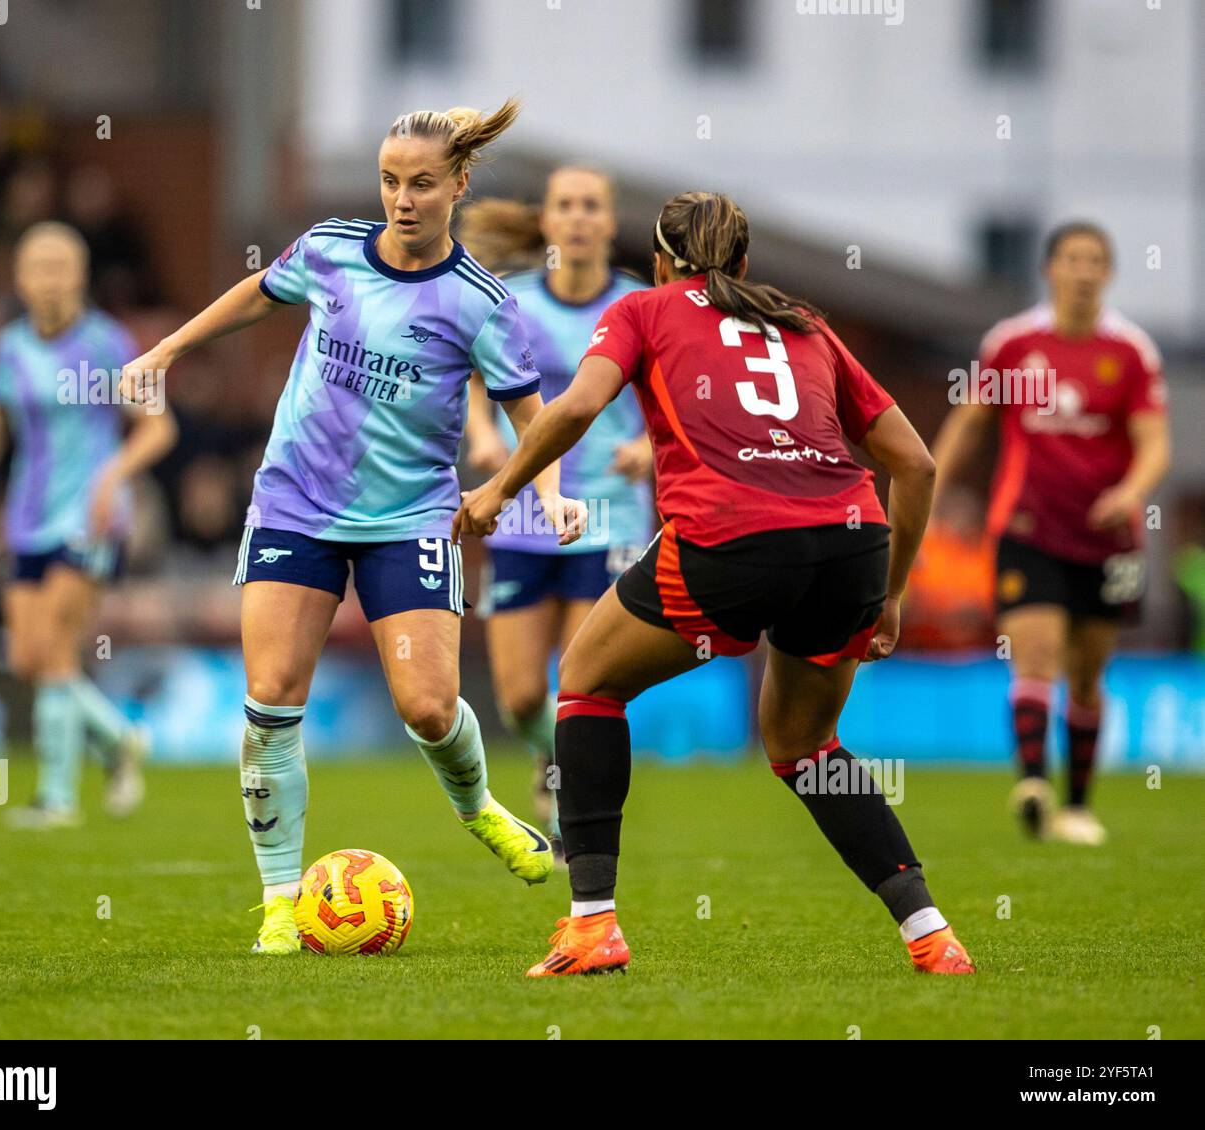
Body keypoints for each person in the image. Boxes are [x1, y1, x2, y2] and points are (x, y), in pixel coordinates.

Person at [455, 191, 974, 977]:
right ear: (741, 261)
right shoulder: (805, 320)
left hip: (733, 537)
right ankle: (932, 936)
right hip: (852, 542)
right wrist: (891, 593)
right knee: (807, 748)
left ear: (661, 261)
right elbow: (917, 464)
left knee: (589, 682)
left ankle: (592, 925)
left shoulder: (644, 308)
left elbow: (577, 407)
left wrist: (498, 490)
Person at [120, 100, 586, 955]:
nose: (402, 199)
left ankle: (477, 807)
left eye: (420, 184)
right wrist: (165, 351)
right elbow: (256, 295)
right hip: (295, 503)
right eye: (389, 181)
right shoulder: (332, 249)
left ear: (458, 186)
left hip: (408, 519)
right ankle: (277, 901)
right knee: (270, 704)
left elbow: (535, 413)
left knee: (430, 706)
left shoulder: (479, 303)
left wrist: (547, 496)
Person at [0, 221, 174, 827]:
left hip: (91, 517)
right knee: (28, 657)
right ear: (21, 277)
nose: (51, 281)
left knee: (57, 648)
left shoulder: (108, 343)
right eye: (40, 268)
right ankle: (118, 739)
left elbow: (159, 427)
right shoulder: (10, 347)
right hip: (28, 518)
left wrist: (114, 475)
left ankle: (57, 797)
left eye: (62, 268)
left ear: (81, 275)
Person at [933, 222, 1169, 845]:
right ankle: (1034, 783)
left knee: (1089, 673)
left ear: (1109, 273)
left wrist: (1130, 492)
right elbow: (971, 423)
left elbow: (1155, 443)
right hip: (1026, 528)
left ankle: (1080, 806)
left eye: (1096, 260)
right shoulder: (1013, 345)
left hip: (1107, 541)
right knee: (1034, 654)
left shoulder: (1132, 352)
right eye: (1073, 258)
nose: (1084, 270)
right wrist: (927, 486)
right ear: (1051, 268)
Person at [459, 169, 654, 856]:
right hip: (523, 514)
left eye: (590, 207)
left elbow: (682, 394)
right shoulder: (512, 302)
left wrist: (650, 444)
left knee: (581, 678)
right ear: (545, 223)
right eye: (564, 206)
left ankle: (578, 811)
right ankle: (553, 757)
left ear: (608, 222)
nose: (576, 218)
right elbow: (481, 379)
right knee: (516, 697)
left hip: (609, 520)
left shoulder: (640, 303)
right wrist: (483, 436)